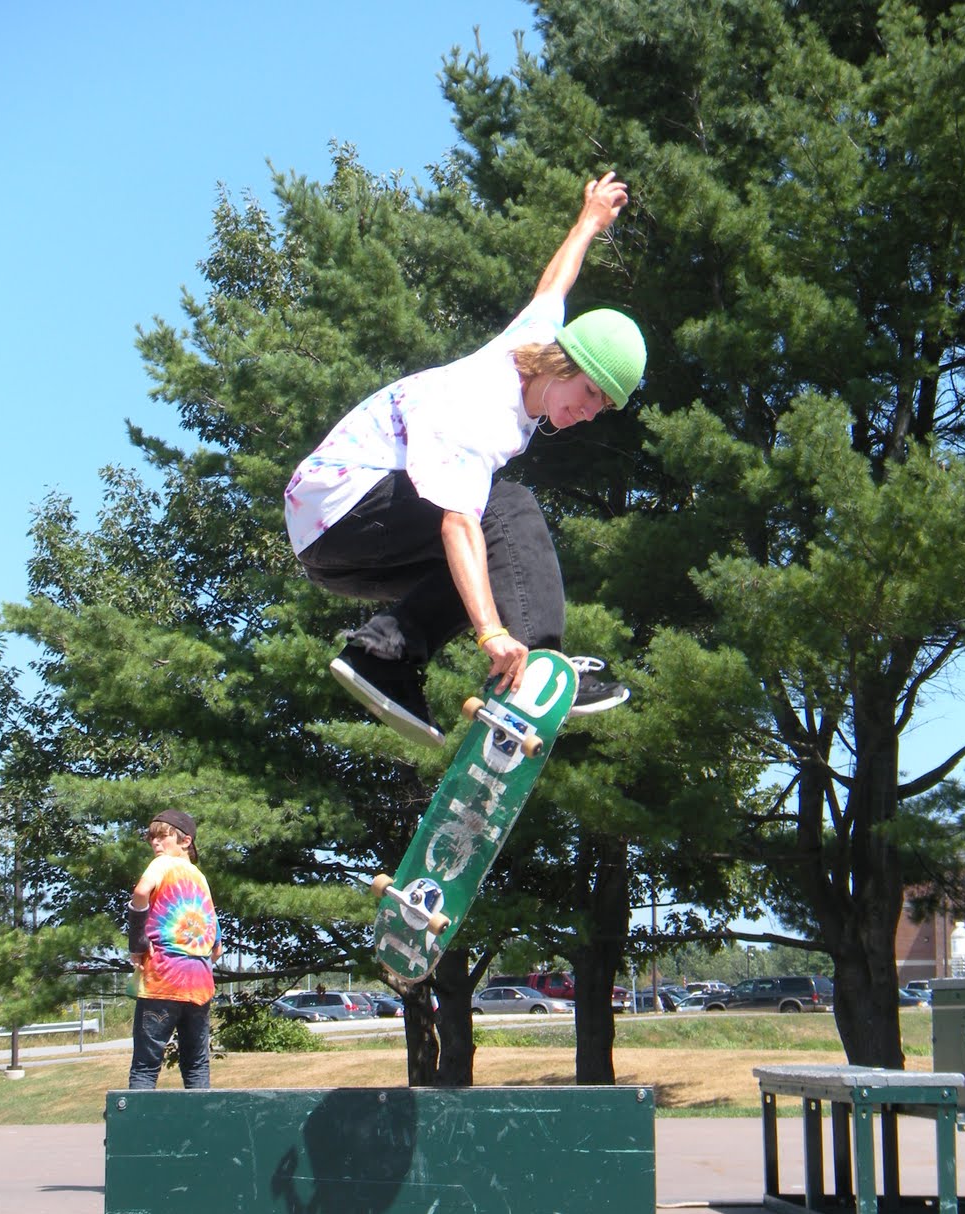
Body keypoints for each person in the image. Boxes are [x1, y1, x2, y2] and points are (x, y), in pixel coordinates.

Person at [284, 170, 647, 747]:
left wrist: (590, 221)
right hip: (344, 505)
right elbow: (458, 523)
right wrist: (492, 636)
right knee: (504, 508)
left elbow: (555, 286)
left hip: (339, 546)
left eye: (603, 407)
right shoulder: (485, 410)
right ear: (567, 365)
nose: (591, 413)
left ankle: (383, 655)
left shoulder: (535, 337)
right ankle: (545, 670)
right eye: (591, 396)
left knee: (489, 563)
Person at [127, 809, 222, 1091]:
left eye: (162, 837)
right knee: (196, 1063)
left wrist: (138, 942)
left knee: (146, 1065)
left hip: (163, 979)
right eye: (151, 838)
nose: (155, 844)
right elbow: (216, 947)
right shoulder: (200, 879)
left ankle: (138, 1129)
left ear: (185, 841)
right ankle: (202, 1128)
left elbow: (141, 892)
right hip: (199, 984)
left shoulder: (162, 865)